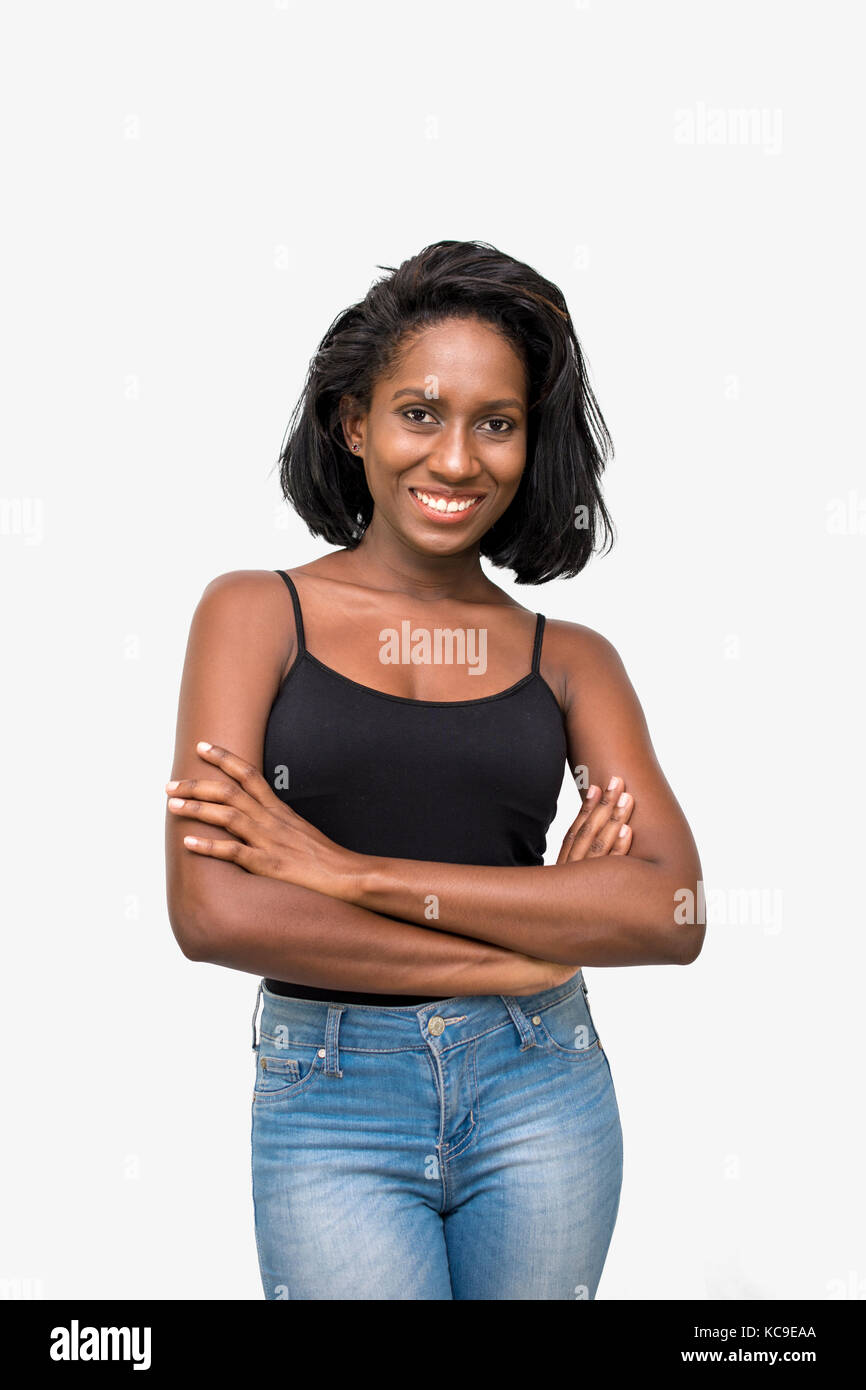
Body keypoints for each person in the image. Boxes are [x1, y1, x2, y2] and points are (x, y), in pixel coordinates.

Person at [164, 239, 704, 1300]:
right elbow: (214, 912)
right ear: (352, 422)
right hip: (332, 1090)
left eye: (494, 423)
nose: (456, 460)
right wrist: (533, 933)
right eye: (419, 412)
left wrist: (344, 872)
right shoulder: (251, 612)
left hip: (539, 1087)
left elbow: (670, 912)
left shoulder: (573, 661)